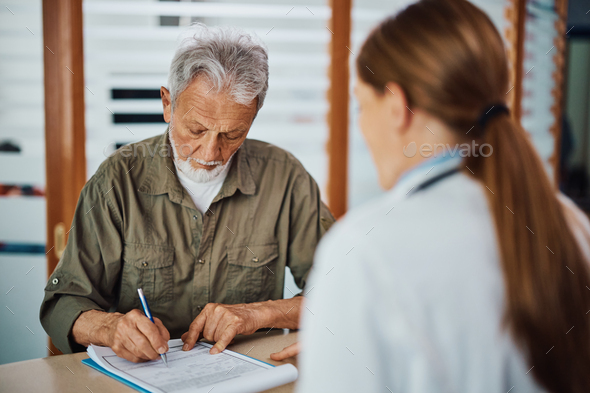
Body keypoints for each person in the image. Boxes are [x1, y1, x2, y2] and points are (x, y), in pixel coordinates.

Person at [296, 1, 590, 392]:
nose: (361, 125)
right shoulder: (572, 223)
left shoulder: (363, 252)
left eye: (361, 106)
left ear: (397, 107)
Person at [40, 24, 334, 363]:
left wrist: (259, 314)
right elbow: (61, 304)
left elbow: (340, 290)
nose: (210, 153)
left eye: (233, 134)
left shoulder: (286, 178)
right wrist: (109, 327)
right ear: (168, 104)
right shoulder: (117, 180)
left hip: (248, 376)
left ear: (252, 118)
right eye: (196, 129)